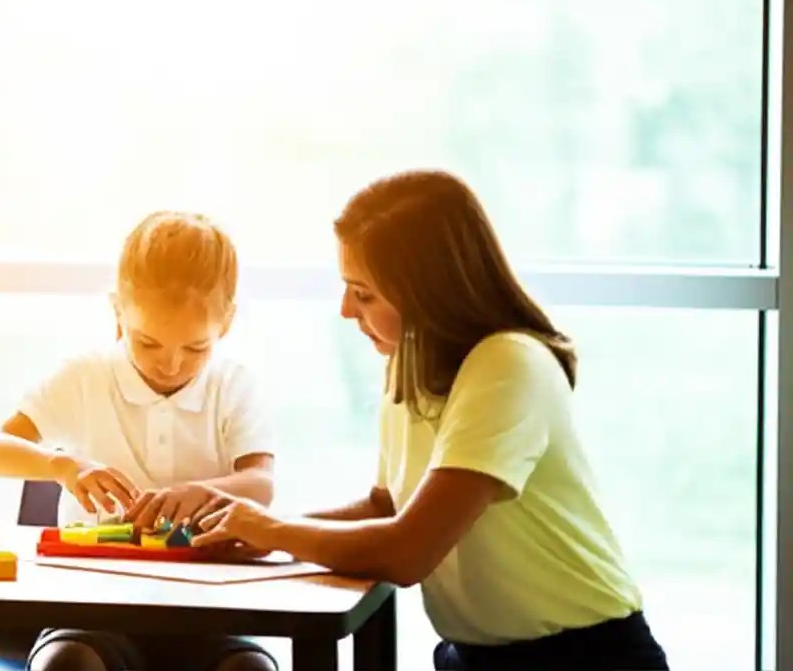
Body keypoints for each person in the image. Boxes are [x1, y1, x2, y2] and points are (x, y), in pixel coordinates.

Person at [191, 170, 670, 671]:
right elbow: (385, 505)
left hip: (581, 658)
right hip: (474, 657)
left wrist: (275, 531)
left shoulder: (509, 363)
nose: (344, 310)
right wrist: (260, 532)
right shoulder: (409, 362)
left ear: (426, 290)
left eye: (364, 293)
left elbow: (409, 551)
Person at [0, 210, 278, 671]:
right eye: (147, 342)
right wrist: (63, 466)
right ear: (117, 311)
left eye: (196, 348)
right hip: (91, 604)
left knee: (248, 670)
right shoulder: (85, 376)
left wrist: (201, 493)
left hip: (208, 605)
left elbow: (260, 483)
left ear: (226, 323)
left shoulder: (233, 385)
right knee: (66, 664)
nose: (171, 365)